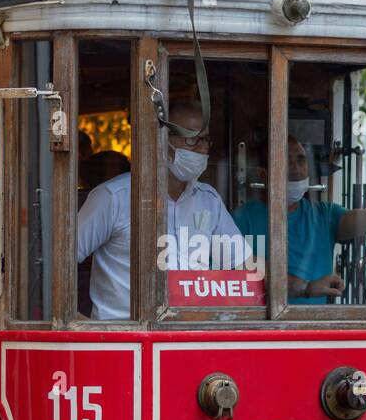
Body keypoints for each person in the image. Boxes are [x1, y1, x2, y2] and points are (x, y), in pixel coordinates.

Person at [76, 101, 246, 320]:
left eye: (205, 140)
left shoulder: (209, 200)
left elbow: (242, 266)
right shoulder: (113, 197)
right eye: (193, 139)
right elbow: (59, 264)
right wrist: (85, 328)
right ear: (163, 141)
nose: (203, 149)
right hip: (124, 341)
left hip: (191, 337)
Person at [234, 137, 366, 303]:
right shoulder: (242, 219)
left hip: (316, 333)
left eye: (301, 160)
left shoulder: (325, 215)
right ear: (263, 173)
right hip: (261, 333)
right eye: (286, 160)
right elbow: (240, 274)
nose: (296, 168)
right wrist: (307, 288)